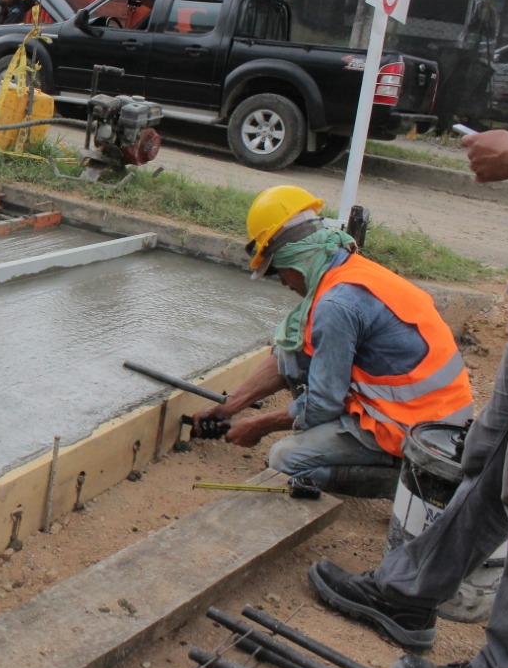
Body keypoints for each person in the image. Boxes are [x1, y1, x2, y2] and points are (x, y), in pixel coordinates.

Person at [305, 131, 508, 668]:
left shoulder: (341, 300)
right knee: (490, 464)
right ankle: (407, 595)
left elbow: (321, 400)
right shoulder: (345, 284)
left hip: (402, 430)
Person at [191, 185, 473, 498]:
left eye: (277, 271)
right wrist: (227, 407)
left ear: (293, 259)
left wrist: (258, 425)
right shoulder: (344, 270)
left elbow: (324, 404)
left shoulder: (336, 306)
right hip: (427, 414)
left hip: (415, 431)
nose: (283, 282)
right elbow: (290, 354)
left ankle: (413, 482)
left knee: (285, 460)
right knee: (297, 350)